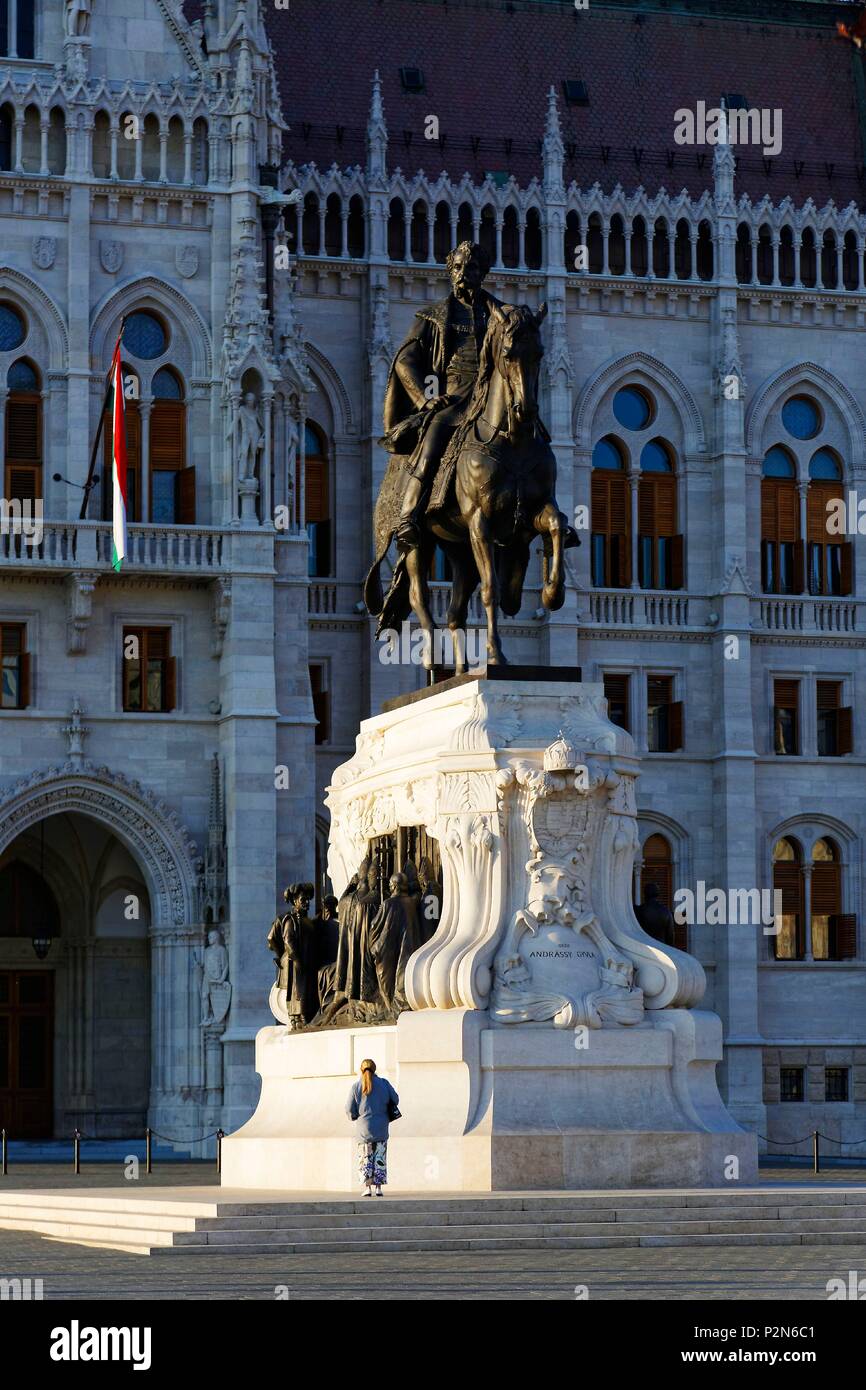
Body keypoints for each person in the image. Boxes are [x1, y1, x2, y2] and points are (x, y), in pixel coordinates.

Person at [345, 1059, 400, 1197]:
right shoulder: (384, 1083)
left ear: (361, 1070)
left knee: (366, 1158)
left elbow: (349, 1109)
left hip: (364, 1129)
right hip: (381, 1127)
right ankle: (379, 1188)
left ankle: (368, 1188)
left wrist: (355, 1115)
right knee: (379, 1157)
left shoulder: (356, 1086)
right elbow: (396, 1099)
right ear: (375, 1069)